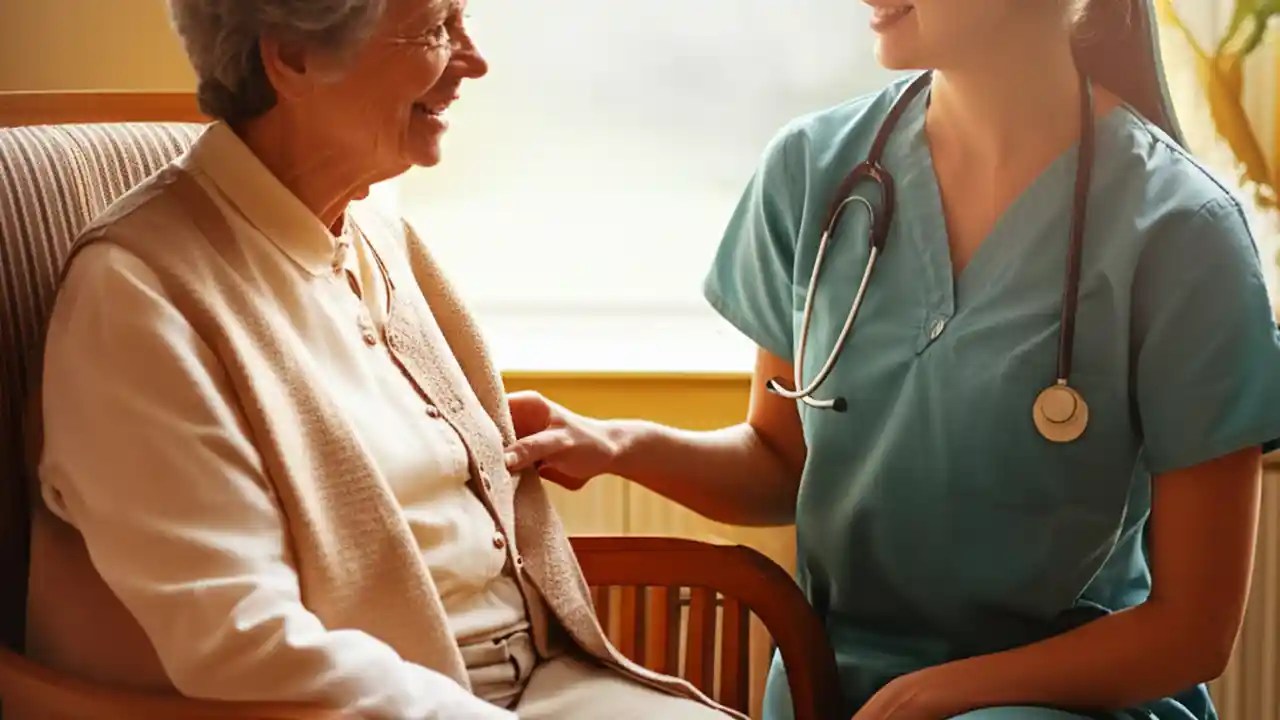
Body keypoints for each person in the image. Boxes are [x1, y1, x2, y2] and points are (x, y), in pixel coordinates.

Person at [502, 0, 1280, 718]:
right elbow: (779, 460)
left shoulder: (1183, 231)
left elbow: (1192, 632)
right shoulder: (814, 171)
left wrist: (943, 694)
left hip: (1066, 700)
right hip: (830, 687)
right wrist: (616, 445)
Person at [27, 1, 735, 718]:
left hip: (544, 681)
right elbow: (241, 635)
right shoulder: (139, 294)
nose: (473, 61)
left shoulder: (374, 232)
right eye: (436, 29)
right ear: (294, 58)